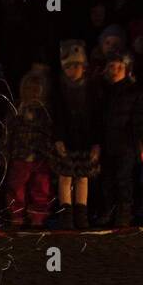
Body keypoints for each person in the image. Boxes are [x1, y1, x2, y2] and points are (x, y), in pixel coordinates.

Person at [94, 51, 143, 228]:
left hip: (126, 144)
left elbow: (142, 121)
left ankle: (124, 212)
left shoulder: (135, 92)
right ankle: (108, 210)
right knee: (107, 179)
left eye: (120, 67)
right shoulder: (102, 91)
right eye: (112, 66)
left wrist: (140, 144)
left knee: (123, 179)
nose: (116, 70)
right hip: (106, 143)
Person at [50, 40, 100, 229]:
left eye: (76, 66)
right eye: (68, 67)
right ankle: (66, 216)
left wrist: (96, 142)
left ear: (83, 67)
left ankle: (81, 215)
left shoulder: (91, 90)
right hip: (67, 140)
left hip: (85, 140)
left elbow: (97, 117)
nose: (72, 70)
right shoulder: (59, 90)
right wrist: (58, 138)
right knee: (65, 177)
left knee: (82, 177)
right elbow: (57, 116)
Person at [3, 67, 55, 229]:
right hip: (20, 155)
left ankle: (38, 218)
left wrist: (50, 152)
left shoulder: (45, 110)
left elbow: (50, 131)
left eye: (36, 89)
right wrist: (4, 151)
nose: (33, 92)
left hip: (40, 155)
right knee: (16, 188)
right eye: (29, 88)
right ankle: (17, 216)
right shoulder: (17, 108)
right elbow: (8, 130)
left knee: (41, 188)